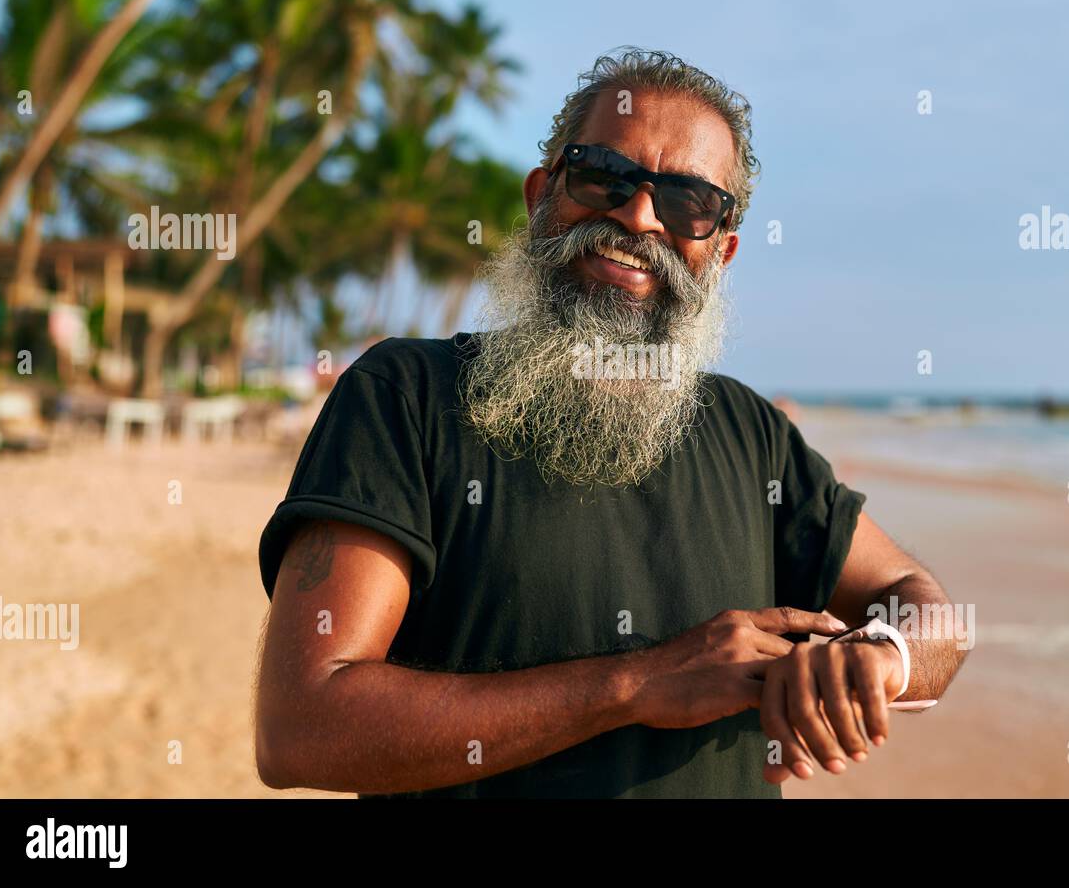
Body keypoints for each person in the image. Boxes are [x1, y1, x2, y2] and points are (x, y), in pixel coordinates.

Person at [254, 47, 967, 798]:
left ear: (718, 253)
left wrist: (877, 658)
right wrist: (635, 684)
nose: (637, 216)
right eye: (604, 175)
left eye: (688, 201)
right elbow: (300, 728)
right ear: (541, 196)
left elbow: (925, 606)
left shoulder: (751, 434)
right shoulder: (406, 397)